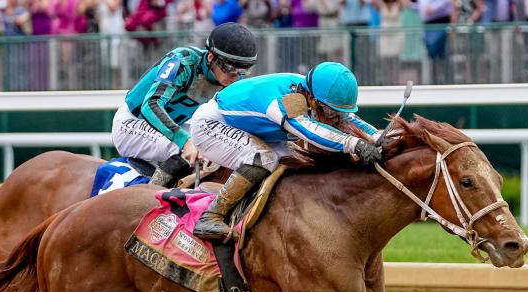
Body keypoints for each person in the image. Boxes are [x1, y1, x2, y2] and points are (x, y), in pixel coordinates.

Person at [190, 62, 383, 241]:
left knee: (297, 160)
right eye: (331, 112)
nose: (334, 119)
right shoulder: (284, 101)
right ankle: (212, 216)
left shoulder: (314, 91)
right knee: (263, 158)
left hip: (251, 130)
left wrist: (380, 138)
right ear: (311, 99)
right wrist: (354, 144)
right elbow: (309, 131)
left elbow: (350, 119)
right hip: (210, 125)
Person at [113, 22, 258, 187]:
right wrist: (184, 141)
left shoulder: (232, 79)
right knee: (188, 149)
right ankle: (149, 200)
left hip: (175, 125)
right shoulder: (181, 61)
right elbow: (151, 104)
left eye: (244, 71)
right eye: (230, 68)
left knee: (217, 147)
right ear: (211, 57)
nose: (235, 77)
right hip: (133, 123)